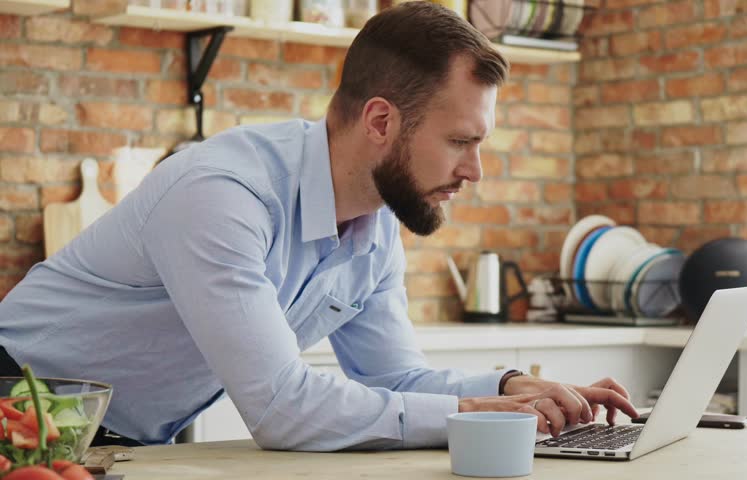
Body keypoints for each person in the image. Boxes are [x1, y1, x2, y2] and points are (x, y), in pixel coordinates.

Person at [0, 2, 637, 451]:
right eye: (459, 142)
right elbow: (281, 408)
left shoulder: (376, 223)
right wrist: (474, 414)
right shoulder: (223, 196)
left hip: (119, 436)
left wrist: (514, 388)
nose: (475, 171)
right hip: (14, 405)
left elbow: (392, 380)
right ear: (382, 123)